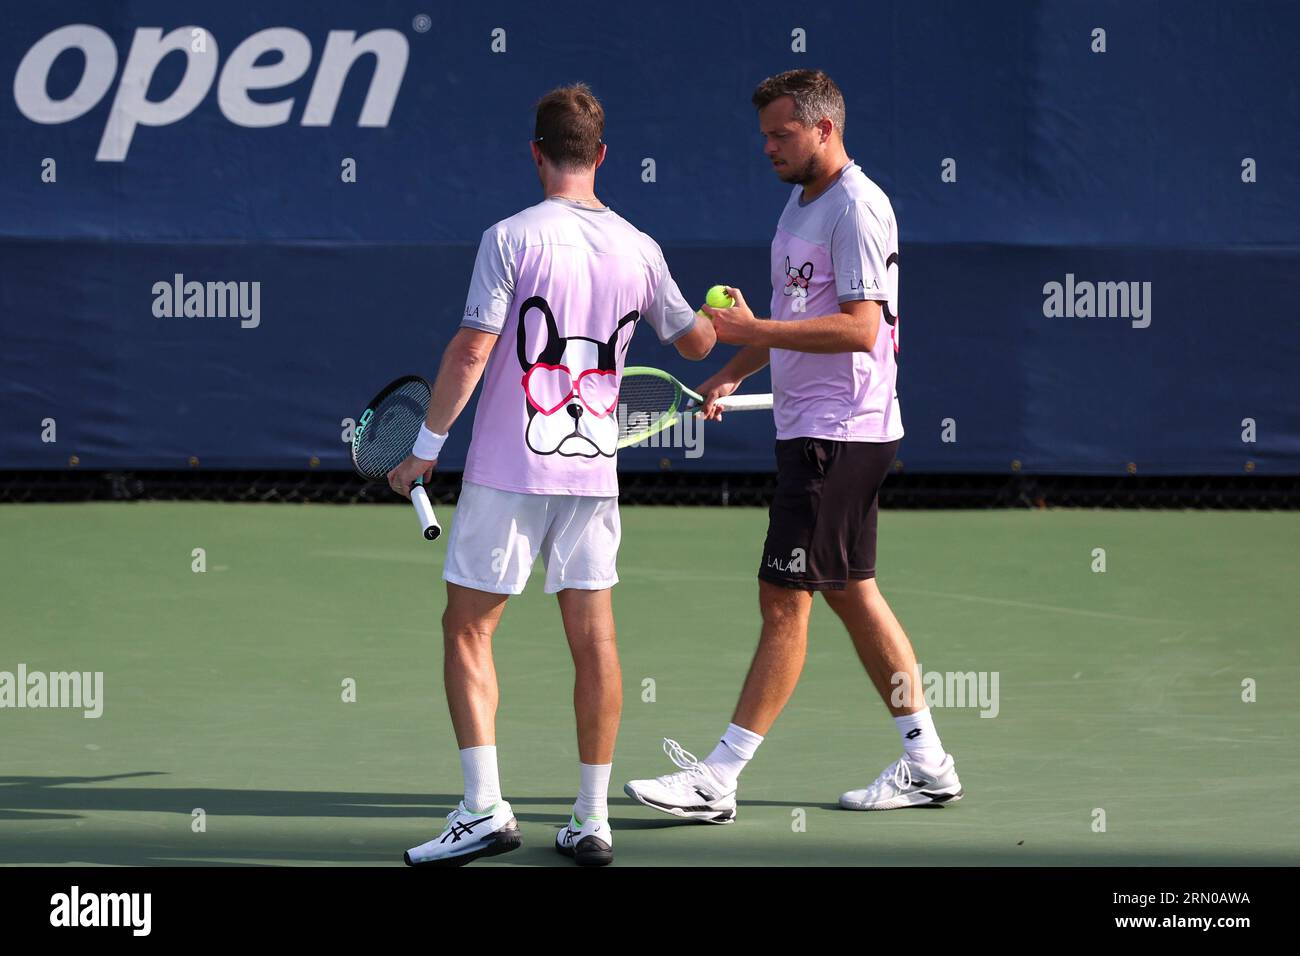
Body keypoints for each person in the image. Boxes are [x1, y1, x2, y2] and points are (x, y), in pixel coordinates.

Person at [388, 83, 715, 866]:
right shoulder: (642, 248)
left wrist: (426, 446)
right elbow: (696, 342)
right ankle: (591, 820)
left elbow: (472, 349)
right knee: (594, 641)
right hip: (592, 481)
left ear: (536, 154)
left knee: (468, 628)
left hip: (507, 473)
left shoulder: (510, 237)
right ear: (601, 157)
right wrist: (721, 315)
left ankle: (483, 810)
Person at [624, 69, 962, 823]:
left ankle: (718, 778)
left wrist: (753, 333)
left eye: (781, 134)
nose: (769, 147)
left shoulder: (857, 208)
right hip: (821, 431)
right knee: (853, 593)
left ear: (824, 128)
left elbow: (861, 327)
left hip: (838, 436)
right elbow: (791, 311)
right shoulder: (802, 200)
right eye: (765, 136)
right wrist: (729, 369)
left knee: (785, 600)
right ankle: (928, 763)